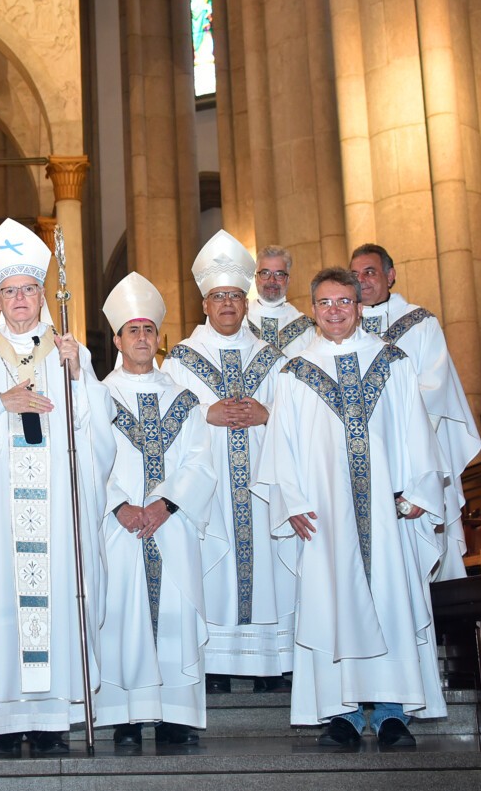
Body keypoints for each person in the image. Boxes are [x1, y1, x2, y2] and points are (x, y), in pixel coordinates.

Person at [0, 219, 115, 757]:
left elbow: (97, 434)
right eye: (10, 290)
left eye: (29, 289)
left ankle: (53, 718)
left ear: (43, 294)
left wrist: (78, 378)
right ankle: (6, 720)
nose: (20, 299)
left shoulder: (69, 353)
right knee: (2, 608)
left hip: (57, 511)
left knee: (56, 602)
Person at [255, 266, 446, 748]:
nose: (335, 311)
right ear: (313, 309)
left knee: (388, 601)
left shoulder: (393, 362)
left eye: (344, 302)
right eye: (324, 303)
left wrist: (420, 491)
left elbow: (415, 433)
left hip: (386, 512)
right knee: (330, 604)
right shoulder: (295, 372)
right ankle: (338, 713)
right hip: (324, 518)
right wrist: (291, 501)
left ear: (359, 307)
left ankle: (390, 714)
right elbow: (282, 447)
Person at [161, 231, 293, 695]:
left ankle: (270, 663)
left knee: (266, 563)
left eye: (236, 297)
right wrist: (205, 413)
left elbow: (298, 418)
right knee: (212, 565)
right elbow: (162, 423)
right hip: (210, 489)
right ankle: (213, 662)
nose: (228, 305)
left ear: (246, 301)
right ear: (204, 304)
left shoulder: (272, 358)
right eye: (218, 297)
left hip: (260, 485)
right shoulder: (180, 359)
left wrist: (268, 414)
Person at [95, 272, 216, 748]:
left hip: (171, 525)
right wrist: (121, 507)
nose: (142, 338)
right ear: (117, 339)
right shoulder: (98, 397)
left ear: (158, 337)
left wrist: (164, 504)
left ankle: (176, 716)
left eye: (149, 330)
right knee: (122, 614)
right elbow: (89, 460)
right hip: (120, 529)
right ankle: (125, 716)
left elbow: (201, 461)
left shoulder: (184, 400)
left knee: (175, 614)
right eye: (133, 331)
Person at [350, 243, 481, 581]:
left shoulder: (420, 325)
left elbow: (434, 392)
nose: (362, 280)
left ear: (390, 276)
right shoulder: (345, 331)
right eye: (355, 275)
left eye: (370, 272)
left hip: (412, 460)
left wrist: (384, 427)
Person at [245, 245, 315, 358]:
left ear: (288, 281)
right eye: (265, 273)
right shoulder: (241, 319)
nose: (272, 280)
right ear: (255, 278)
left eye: (279, 274)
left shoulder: (304, 327)